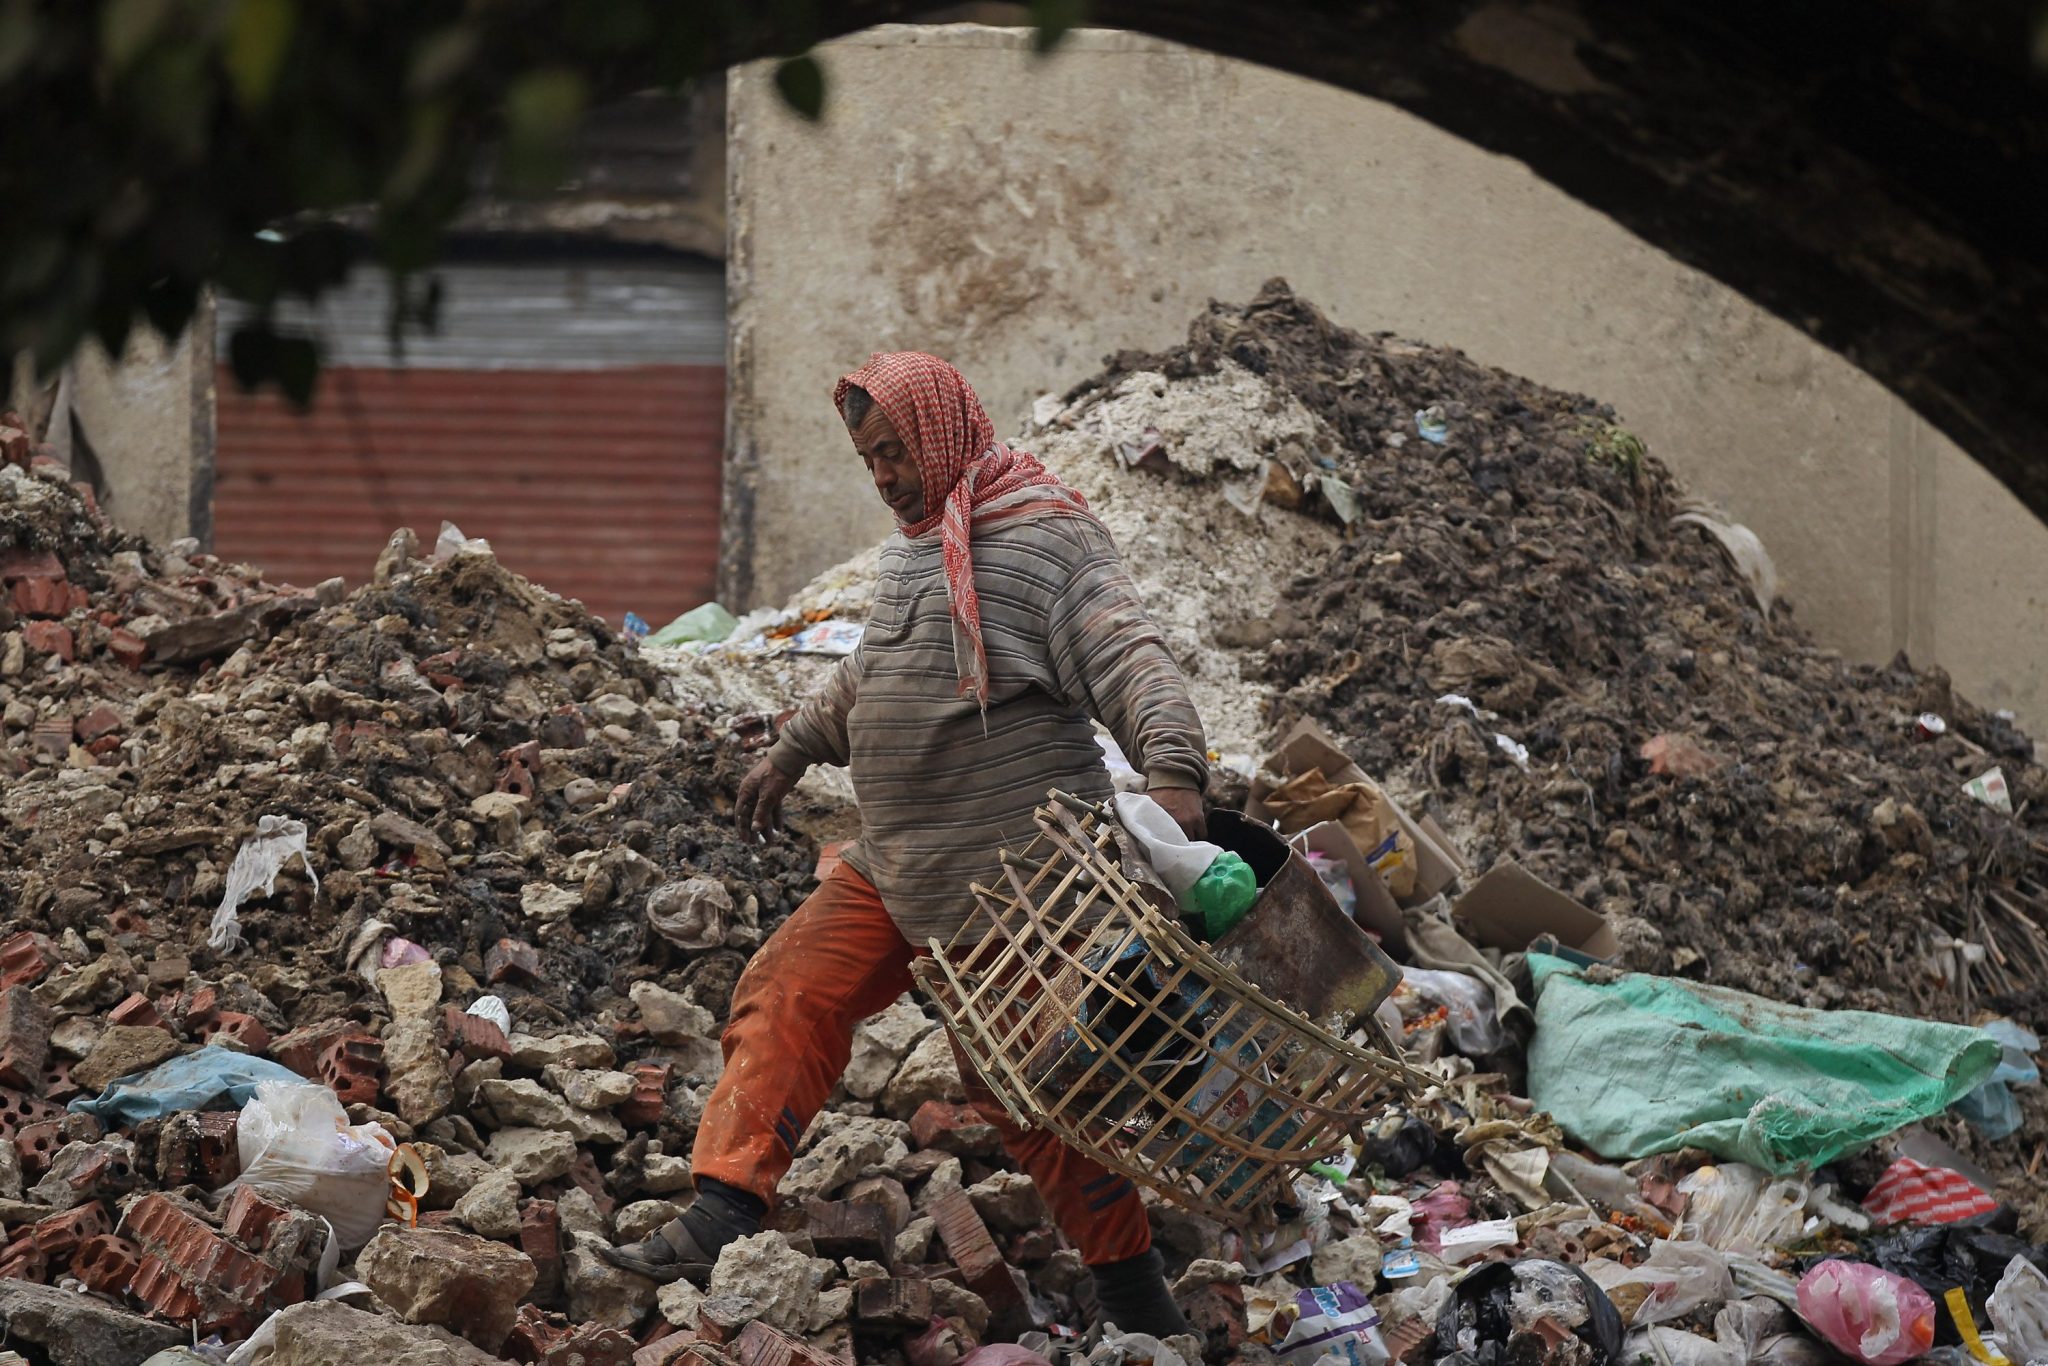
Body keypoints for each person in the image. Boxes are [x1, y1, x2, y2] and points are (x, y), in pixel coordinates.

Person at [602, 351, 1208, 1337]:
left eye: (894, 451)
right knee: (788, 988)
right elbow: (877, 676)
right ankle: (721, 1207)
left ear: (941, 431)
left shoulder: (1041, 536)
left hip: (1018, 882)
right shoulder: (925, 544)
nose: (882, 474)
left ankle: (1136, 1296)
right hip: (898, 859)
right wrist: (793, 749)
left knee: (1035, 1090)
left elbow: (1124, 649)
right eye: (865, 456)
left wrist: (1174, 768)